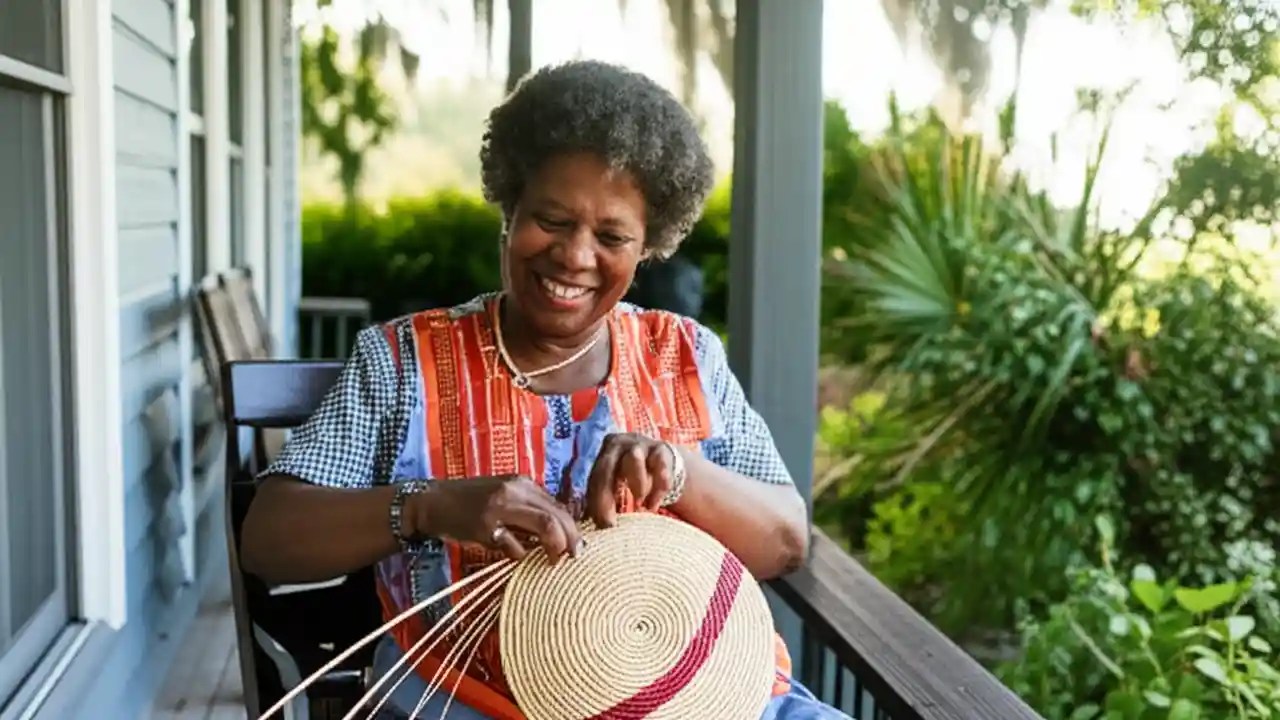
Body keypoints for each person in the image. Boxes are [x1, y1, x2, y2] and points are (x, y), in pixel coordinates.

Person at [241, 60, 851, 720]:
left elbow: (787, 541)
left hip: (713, 699)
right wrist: (426, 506)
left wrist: (681, 473)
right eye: (552, 220)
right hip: (470, 704)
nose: (574, 255)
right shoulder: (400, 364)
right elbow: (269, 538)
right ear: (509, 208)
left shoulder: (687, 355)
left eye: (612, 235)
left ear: (648, 246)